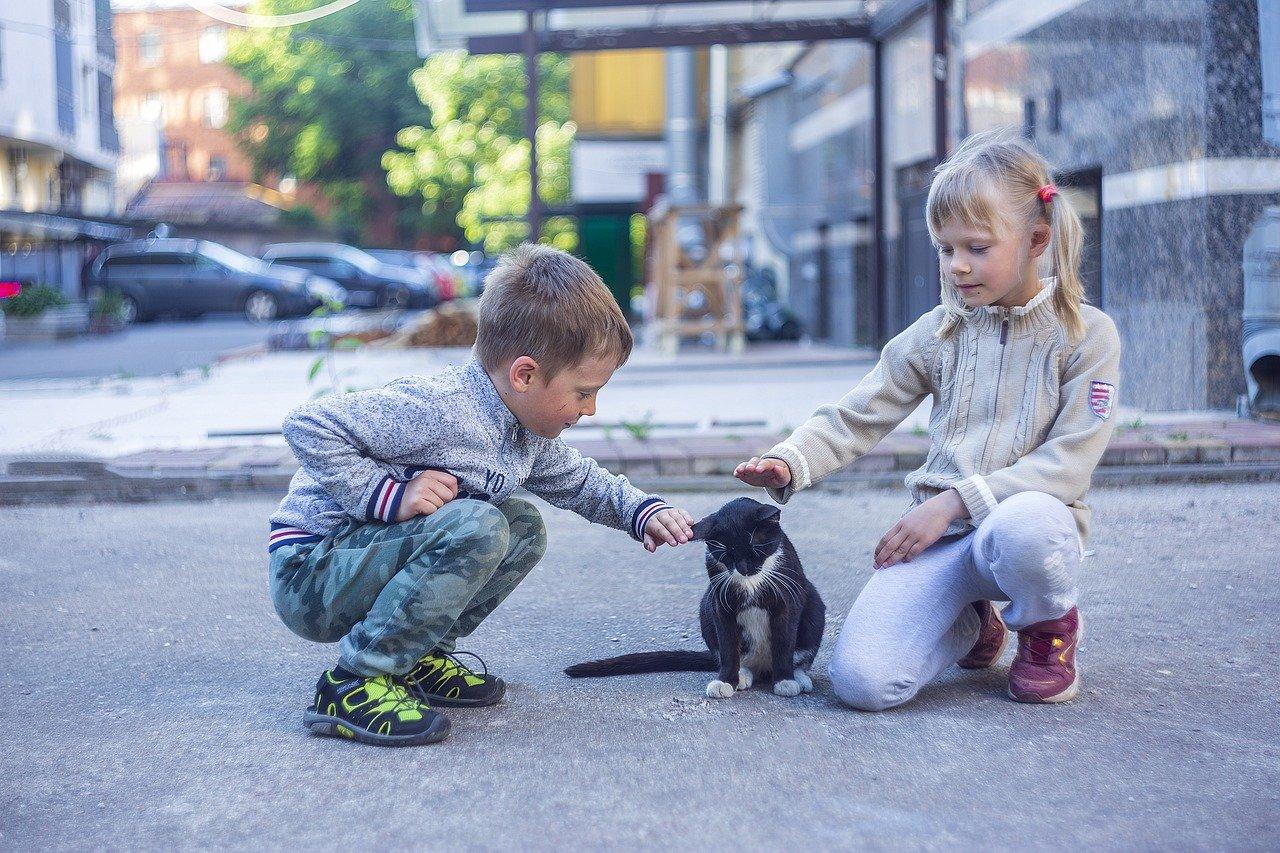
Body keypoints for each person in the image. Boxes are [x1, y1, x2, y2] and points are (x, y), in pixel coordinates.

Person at [736, 129, 1121, 710]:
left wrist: (953, 503)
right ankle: (969, 620)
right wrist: (789, 460)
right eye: (945, 249)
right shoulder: (938, 330)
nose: (957, 266)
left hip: (1026, 535)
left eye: (977, 247)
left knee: (1028, 527)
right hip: (943, 541)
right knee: (863, 682)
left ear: (1036, 239)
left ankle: (1046, 630)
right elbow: (857, 413)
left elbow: (1068, 463)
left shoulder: (1086, 335)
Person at [269, 243, 696, 745]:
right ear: (524, 375)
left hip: (357, 562)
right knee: (480, 525)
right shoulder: (442, 408)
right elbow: (308, 425)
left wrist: (642, 512)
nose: (592, 408)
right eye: (583, 391)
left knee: (521, 527)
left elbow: (580, 482)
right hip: (311, 571)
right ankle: (355, 680)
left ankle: (414, 657)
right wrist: (388, 495)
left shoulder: (523, 432)